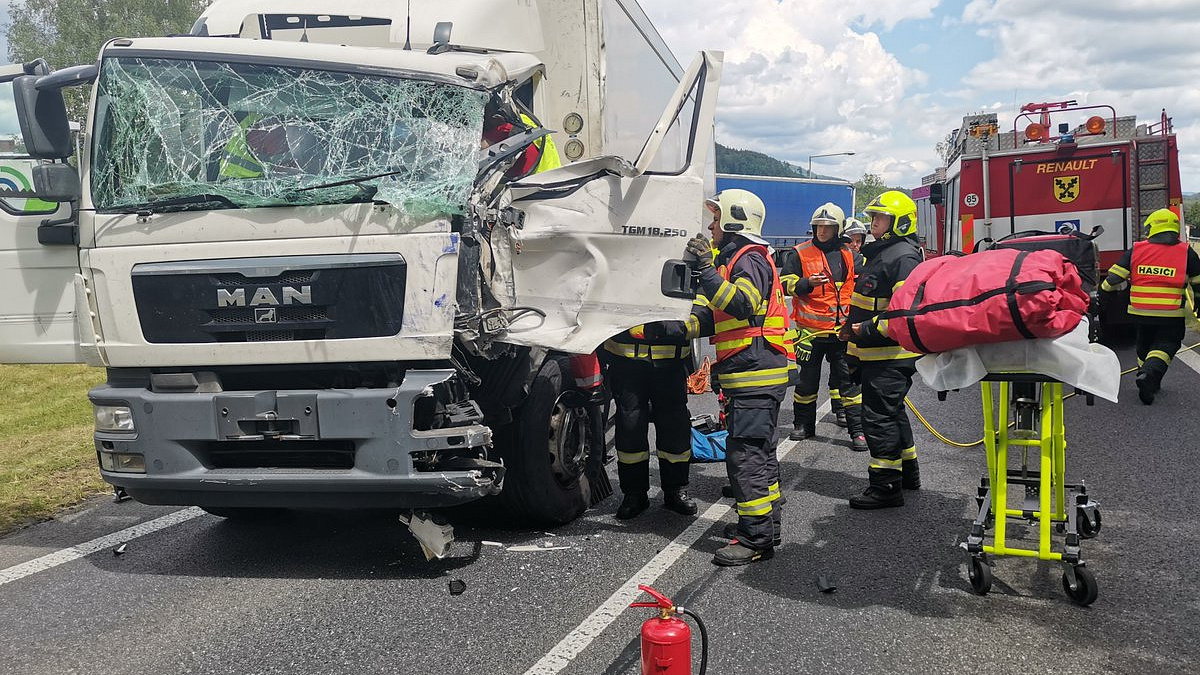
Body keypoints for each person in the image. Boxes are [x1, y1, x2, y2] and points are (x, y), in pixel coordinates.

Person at [648, 188, 791, 565]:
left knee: (746, 457)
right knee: (760, 454)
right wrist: (677, 329)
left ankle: (755, 538)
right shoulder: (736, 260)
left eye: (715, 219)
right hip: (753, 374)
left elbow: (743, 304)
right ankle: (766, 525)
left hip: (755, 374)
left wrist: (706, 270)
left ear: (733, 221)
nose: (710, 226)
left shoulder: (749, 258)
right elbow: (717, 317)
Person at [838, 191, 924, 509]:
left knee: (878, 418)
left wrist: (863, 329)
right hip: (876, 352)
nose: (873, 223)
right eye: (873, 217)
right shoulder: (885, 253)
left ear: (899, 223)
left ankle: (886, 486)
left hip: (889, 355)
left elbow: (903, 313)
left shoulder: (902, 257)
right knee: (893, 412)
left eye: (880, 218)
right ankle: (908, 473)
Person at [779, 203, 868, 452]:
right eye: (818, 226)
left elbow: (864, 287)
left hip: (842, 332)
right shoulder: (799, 253)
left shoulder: (851, 256)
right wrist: (806, 283)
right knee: (806, 383)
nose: (822, 231)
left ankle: (857, 431)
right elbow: (783, 283)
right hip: (810, 332)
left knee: (849, 384)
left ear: (838, 229)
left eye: (828, 227)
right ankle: (803, 424)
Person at [1099, 208, 1200, 404]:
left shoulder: (1137, 249)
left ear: (1152, 227)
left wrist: (1102, 295)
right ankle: (1149, 373)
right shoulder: (1186, 252)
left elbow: (1114, 278)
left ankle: (1147, 376)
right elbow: (1198, 282)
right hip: (1170, 314)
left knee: (1144, 345)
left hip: (1140, 312)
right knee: (1167, 344)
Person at [602, 326, 698, 519]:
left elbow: (696, 314)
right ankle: (634, 494)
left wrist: (673, 328)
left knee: (674, 427)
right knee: (630, 427)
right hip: (626, 361)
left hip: (670, 362)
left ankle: (675, 489)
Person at [482, 104, 562, 178]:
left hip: (539, 178)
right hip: (551, 173)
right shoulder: (522, 119)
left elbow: (483, 145)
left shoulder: (506, 128)